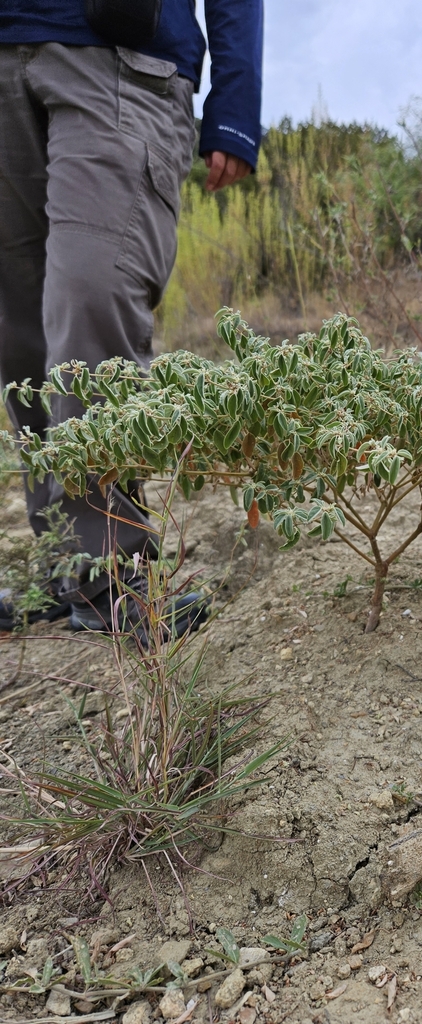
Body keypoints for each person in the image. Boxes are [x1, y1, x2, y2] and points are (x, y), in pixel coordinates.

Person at [0, 0, 263, 635]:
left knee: (92, 296)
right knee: (17, 332)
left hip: (121, 53)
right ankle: (62, 558)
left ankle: (107, 571)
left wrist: (235, 104)